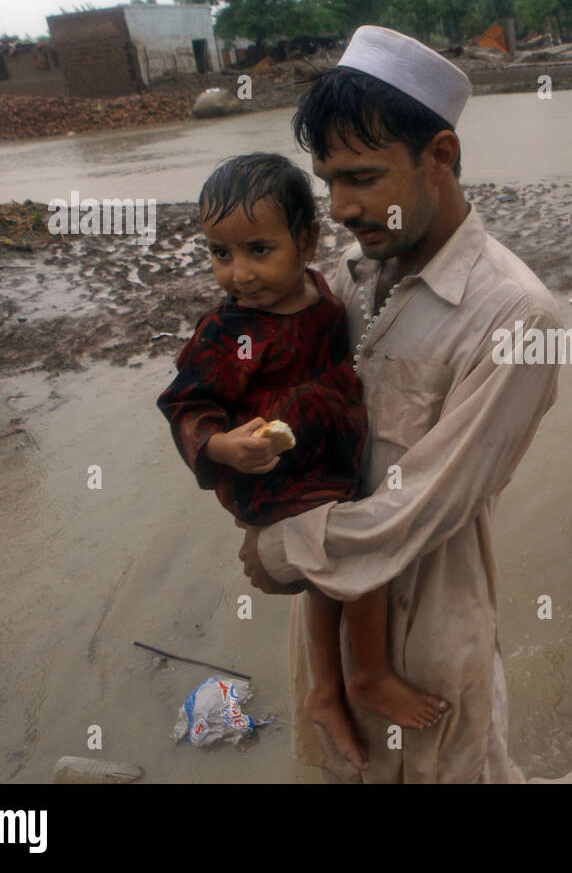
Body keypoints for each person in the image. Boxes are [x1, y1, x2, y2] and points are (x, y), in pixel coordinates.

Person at [235, 25, 572, 783]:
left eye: (363, 179)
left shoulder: (516, 317)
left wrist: (277, 549)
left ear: (439, 157)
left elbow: (422, 508)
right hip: (327, 611)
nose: (340, 207)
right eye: (327, 181)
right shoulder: (346, 278)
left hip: (425, 623)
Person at [157, 153, 447, 775]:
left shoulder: (323, 292)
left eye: (259, 250)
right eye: (220, 253)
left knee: (325, 575)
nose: (240, 274)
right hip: (273, 471)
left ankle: (323, 690)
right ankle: (365, 675)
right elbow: (185, 403)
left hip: (325, 460)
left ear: (307, 240)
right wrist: (221, 445)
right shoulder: (227, 330)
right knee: (361, 552)